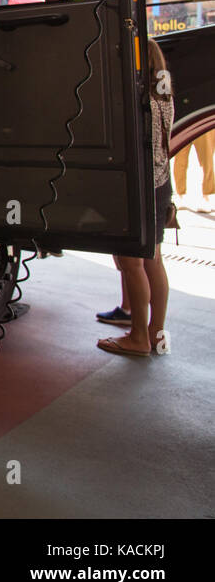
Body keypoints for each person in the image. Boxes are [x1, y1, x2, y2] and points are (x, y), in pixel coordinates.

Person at [97, 38, 173, 357]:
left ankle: (138, 337)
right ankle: (155, 332)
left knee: (131, 262)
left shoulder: (137, 102)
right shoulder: (163, 98)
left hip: (137, 187)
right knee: (153, 258)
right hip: (160, 183)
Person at [173, 128, 214, 211]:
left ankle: (207, 196)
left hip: (202, 121)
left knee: (206, 158)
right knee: (180, 158)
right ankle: (180, 194)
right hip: (184, 123)